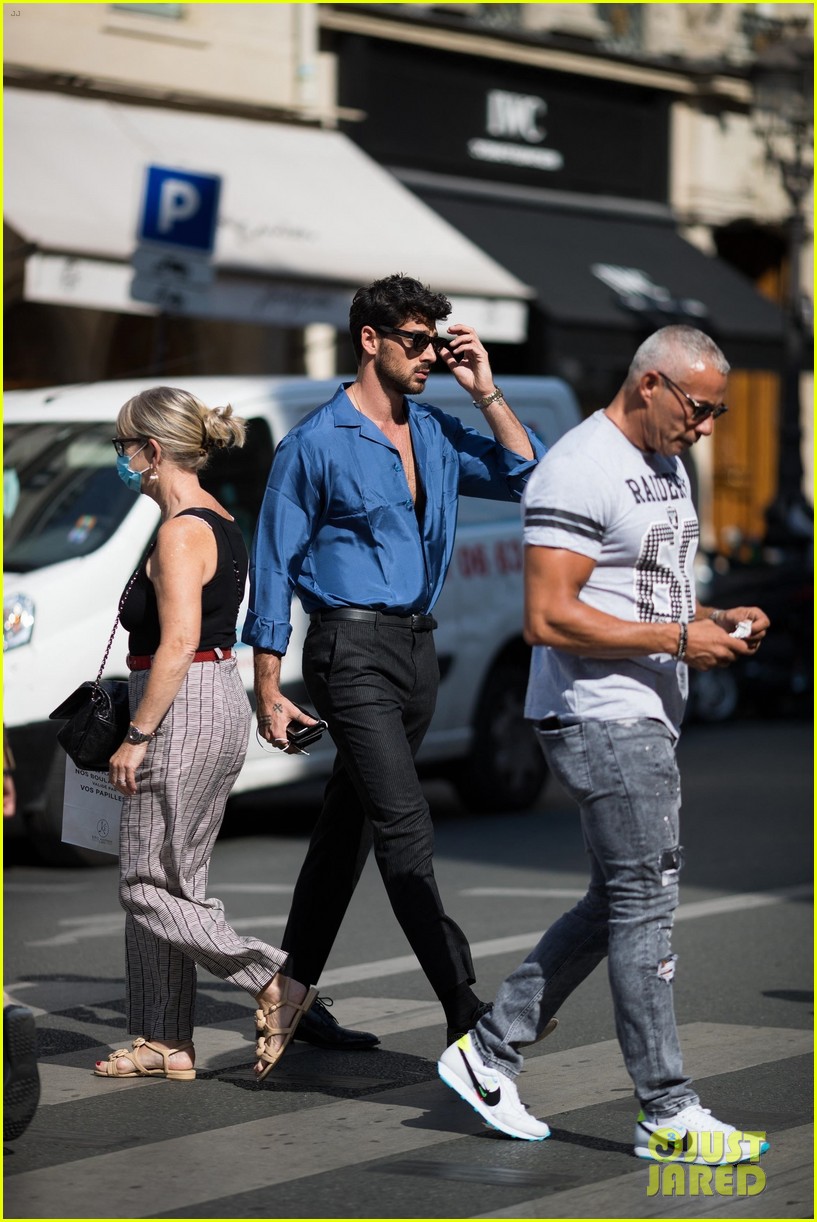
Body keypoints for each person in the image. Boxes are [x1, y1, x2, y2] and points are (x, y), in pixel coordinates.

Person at [438, 325, 772, 1164]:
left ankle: (487, 1048)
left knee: (616, 898)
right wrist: (674, 640)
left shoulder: (664, 462)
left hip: (644, 707)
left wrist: (713, 624)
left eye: (718, 412)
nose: (705, 427)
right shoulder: (578, 465)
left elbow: (647, 592)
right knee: (646, 901)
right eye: (698, 408)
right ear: (649, 385)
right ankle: (666, 1109)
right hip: (600, 711)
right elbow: (547, 616)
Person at [243, 273, 547, 1050]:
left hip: (417, 649)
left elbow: (527, 475)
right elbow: (272, 565)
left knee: (348, 827)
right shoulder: (313, 444)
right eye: (416, 343)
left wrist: (484, 390)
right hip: (349, 650)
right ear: (369, 341)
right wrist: (269, 687)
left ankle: (292, 992)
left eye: (436, 344)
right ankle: (461, 1006)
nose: (429, 358)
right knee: (405, 823)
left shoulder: (438, 433)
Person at [94, 387, 317, 1084]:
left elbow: (180, 639)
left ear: (152, 452)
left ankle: (273, 978)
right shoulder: (217, 520)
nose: (121, 461)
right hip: (211, 697)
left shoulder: (181, 531)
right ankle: (164, 1040)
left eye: (122, 447)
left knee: (143, 885)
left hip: (180, 703)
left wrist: (137, 732)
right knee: (172, 884)